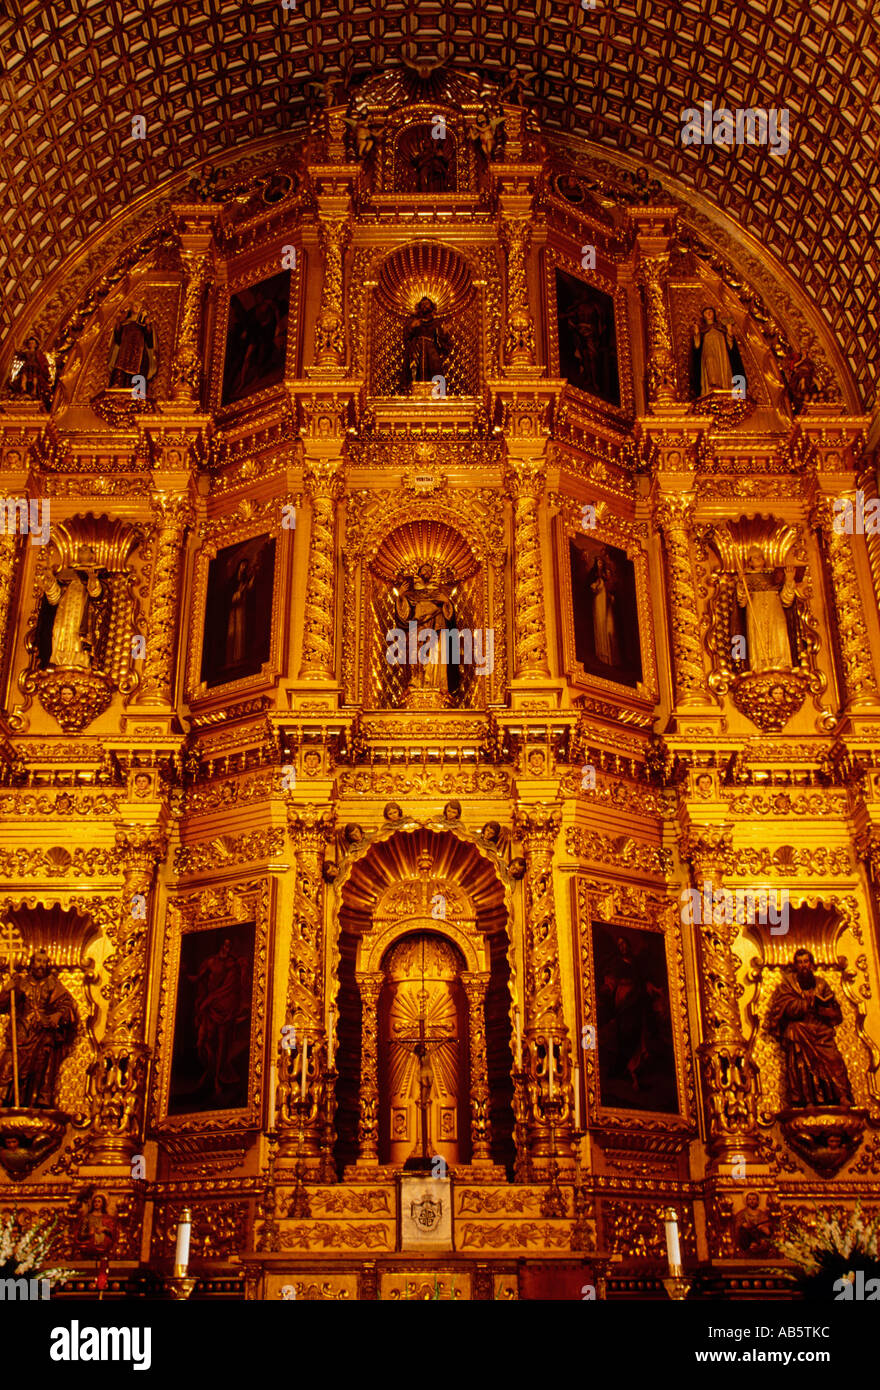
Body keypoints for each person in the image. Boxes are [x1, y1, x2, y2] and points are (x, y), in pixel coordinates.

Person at [765, 949, 853, 1108]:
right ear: (795, 966)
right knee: (797, 1043)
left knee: (834, 1059)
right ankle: (808, 1099)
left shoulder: (821, 984)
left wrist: (825, 1008)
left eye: (806, 962)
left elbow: (834, 1010)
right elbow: (782, 1008)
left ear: (811, 964)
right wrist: (805, 1004)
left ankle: (841, 1096)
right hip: (800, 1029)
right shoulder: (788, 985)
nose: (803, 966)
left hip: (821, 1030)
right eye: (800, 962)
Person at [0, 950, 77, 1108]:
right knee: (7, 1067)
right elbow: (2, 1006)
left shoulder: (52, 983)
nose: (41, 965)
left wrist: (57, 1015)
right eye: (38, 961)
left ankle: (32, 1104)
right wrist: (7, 990)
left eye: (44, 962)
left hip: (42, 1034)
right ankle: (5, 1101)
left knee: (38, 1071)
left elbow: (68, 1004)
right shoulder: (20, 982)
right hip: (20, 1033)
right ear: (31, 963)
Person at [189, 939, 248, 1094]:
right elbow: (198, 978)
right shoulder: (211, 962)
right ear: (220, 946)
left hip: (226, 1009)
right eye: (224, 944)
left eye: (229, 945)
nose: (226, 948)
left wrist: (243, 969)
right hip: (212, 1006)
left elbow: (237, 986)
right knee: (205, 1042)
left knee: (222, 1044)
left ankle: (216, 1078)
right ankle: (209, 1072)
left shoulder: (233, 965)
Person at [735, 547, 796, 671]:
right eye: (754, 557)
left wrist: (789, 580)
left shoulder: (774, 576)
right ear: (750, 562)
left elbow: (786, 601)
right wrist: (741, 583)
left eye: (760, 556)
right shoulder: (747, 578)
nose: (758, 559)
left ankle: (782, 665)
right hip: (756, 611)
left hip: (775, 611)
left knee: (778, 635)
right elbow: (741, 602)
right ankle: (760, 667)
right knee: (758, 637)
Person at [403, 298, 450, 384]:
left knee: (435, 369)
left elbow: (441, 341)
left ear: (432, 307)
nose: (425, 306)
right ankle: (414, 388)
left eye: (427, 304)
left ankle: (436, 391)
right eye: (423, 304)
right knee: (415, 369)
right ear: (419, 307)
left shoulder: (436, 323)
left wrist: (444, 333)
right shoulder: (414, 321)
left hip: (431, 351)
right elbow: (406, 338)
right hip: (416, 349)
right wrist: (411, 327)